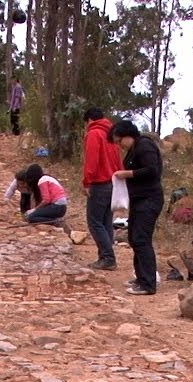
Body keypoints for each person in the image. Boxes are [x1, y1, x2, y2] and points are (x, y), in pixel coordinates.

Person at [110, 120, 163, 295]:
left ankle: (148, 283)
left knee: (141, 239)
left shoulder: (144, 146)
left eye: (119, 141)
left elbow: (152, 170)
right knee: (134, 237)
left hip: (149, 200)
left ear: (128, 135)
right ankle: (141, 277)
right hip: (138, 200)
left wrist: (128, 174)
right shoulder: (135, 149)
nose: (120, 146)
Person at [80, 108, 124, 271]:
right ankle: (105, 256)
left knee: (95, 222)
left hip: (99, 183)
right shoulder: (111, 135)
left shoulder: (94, 134)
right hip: (113, 183)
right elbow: (119, 161)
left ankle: (108, 257)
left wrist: (87, 181)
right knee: (106, 222)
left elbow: (91, 160)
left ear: (89, 120)